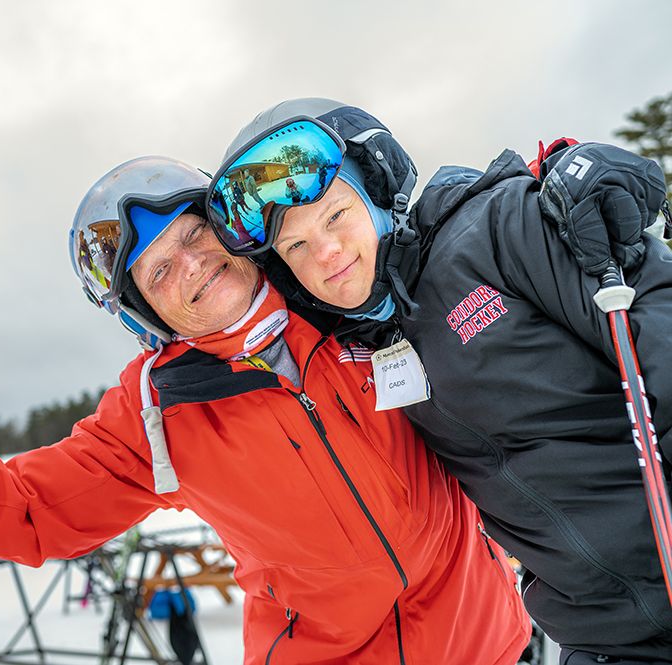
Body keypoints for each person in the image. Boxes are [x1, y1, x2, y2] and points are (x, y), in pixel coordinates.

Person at [0, 156, 530, 664]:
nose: (193, 263)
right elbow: (25, 509)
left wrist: (554, 190)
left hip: (497, 642)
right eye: (161, 269)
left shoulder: (346, 291)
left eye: (197, 233)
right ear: (146, 316)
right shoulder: (160, 410)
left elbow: (472, 245)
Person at [205, 97, 672, 664]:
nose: (325, 253)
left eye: (336, 216)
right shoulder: (365, 351)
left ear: (378, 194)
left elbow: (656, 322)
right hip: (603, 641)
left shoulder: (499, 230)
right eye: (296, 246)